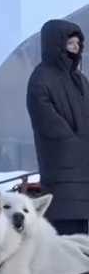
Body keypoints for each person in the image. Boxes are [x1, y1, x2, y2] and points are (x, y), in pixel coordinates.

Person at [26, 20, 89, 235]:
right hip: (62, 165)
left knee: (81, 235)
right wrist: (76, 145)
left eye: (78, 43)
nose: (76, 47)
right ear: (55, 44)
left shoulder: (80, 80)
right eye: (70, 43)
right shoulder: (41, 78)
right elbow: (48, 123)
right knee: (64, 227)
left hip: (83, 166)